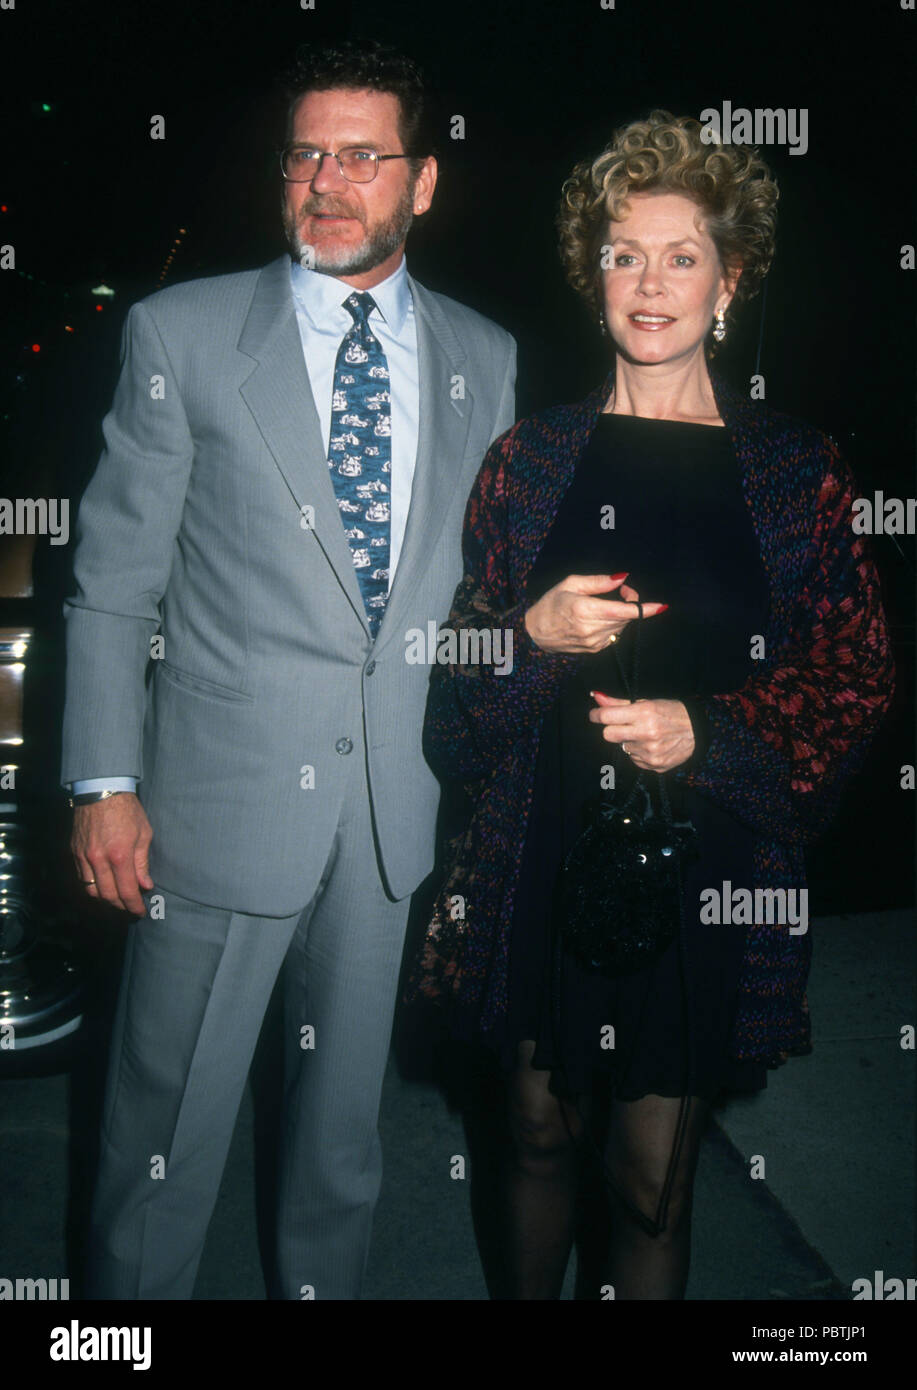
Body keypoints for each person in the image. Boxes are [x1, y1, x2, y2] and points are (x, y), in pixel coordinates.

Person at [409, 111, 894, 1299]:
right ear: (592, 279)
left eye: (682, 255)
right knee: (527, 1139)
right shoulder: (528, 460)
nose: (650, 281)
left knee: (646, 1187)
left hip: (703, 863)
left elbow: (855, 670)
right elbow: (454, 702)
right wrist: (525, 638)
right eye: (623, 253)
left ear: (729, 283)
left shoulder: (794, 471)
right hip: (538, 845)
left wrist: (713, 736)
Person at [62, 38, 516, 1300]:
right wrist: (103, 779)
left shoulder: (486, 357)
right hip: (210, 810)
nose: (328, 179)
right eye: (307, 153)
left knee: (341, 1146)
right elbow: (110, 579)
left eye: (362, 155)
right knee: (160, 1143)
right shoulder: (183, 331)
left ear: (420, 182)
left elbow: (480, 585)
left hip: (390, 823)